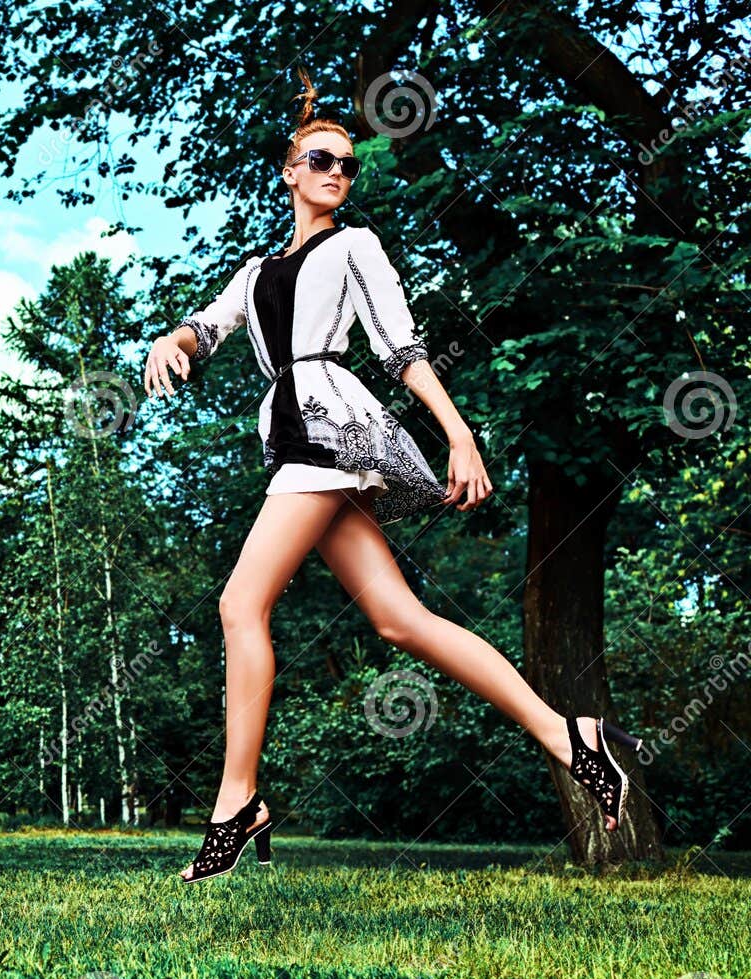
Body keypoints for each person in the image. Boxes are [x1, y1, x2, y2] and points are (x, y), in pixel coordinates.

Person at [142, 70, 643, 882]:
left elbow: (401, 349)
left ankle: (236, 802)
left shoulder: (356, 245)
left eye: (347, 162)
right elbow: (209, 327)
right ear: (290, 170)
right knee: (400, 620)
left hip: (331, 429)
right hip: (297, 435)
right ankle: (569, 735)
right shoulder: (254, 270)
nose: (337, 170)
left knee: (241, 601)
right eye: (321, 157)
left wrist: (460, 434)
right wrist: (174, 341)